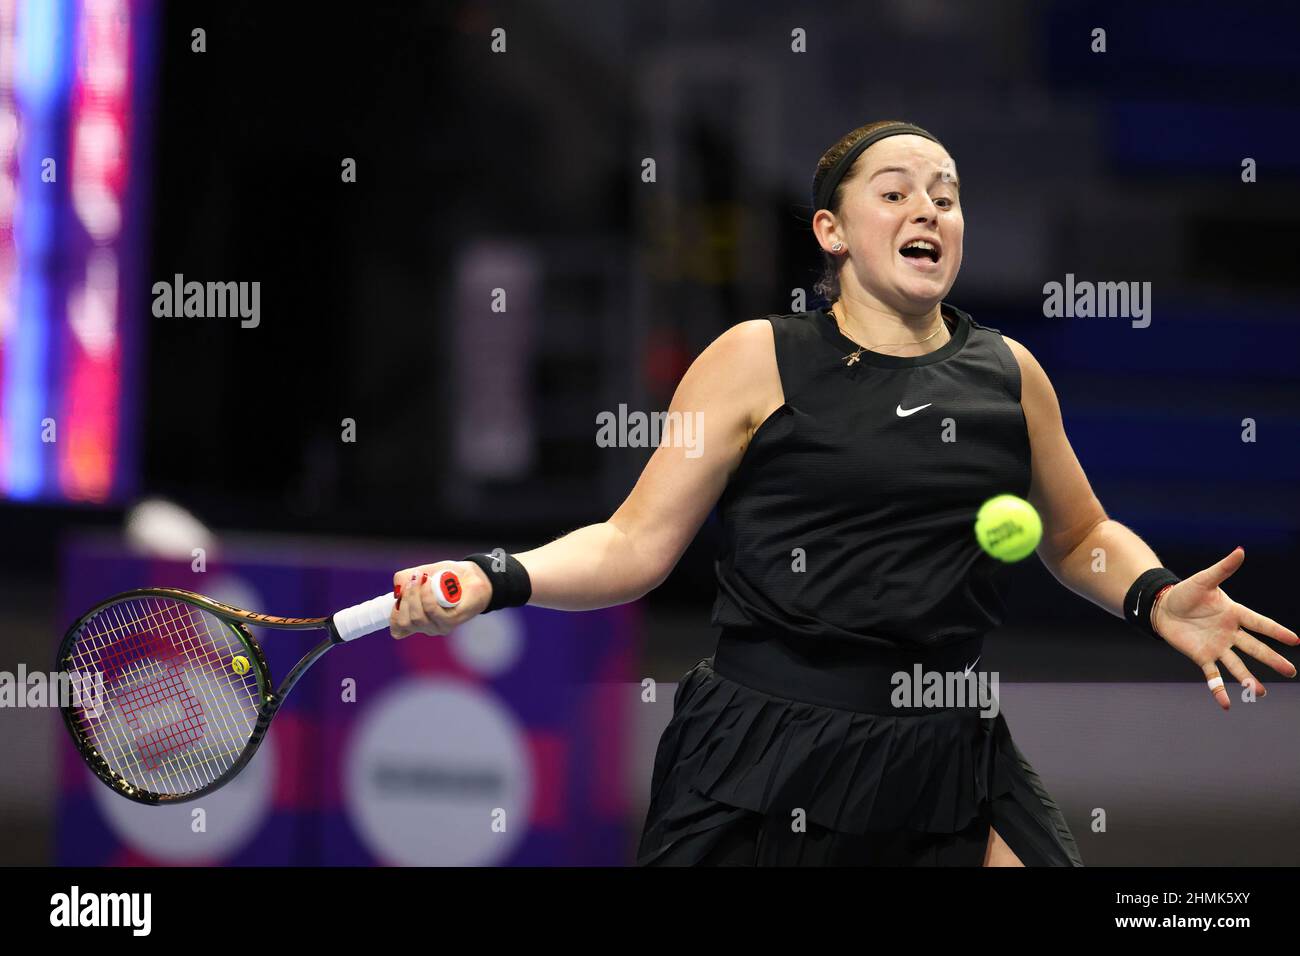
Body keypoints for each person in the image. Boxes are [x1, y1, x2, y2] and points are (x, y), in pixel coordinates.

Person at [385, 120, 1299, 866]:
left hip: (950, 747)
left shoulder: (1009, 372)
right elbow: (633, 545)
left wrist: (1150, 594)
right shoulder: (756, 357)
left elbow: (1080, 532)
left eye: (946, 194)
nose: (929, 209)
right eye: (896, 191)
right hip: (764, 750)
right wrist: (497, 575)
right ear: (832, 230)